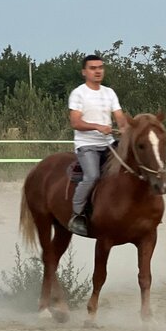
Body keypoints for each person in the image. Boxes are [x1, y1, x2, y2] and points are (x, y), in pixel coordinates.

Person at [67, 54, 127, 236]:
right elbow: (75, 122)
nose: (98, 71)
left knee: (131, 168)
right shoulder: (78, 93)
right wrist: (97, 126)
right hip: (87, 145)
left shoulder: (109, 93)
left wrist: (124, 128)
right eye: (93, 68)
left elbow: (119, 116)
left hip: (108, 143)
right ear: (84, 72)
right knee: (92, 176)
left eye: (100, 67)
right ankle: (77, 215)